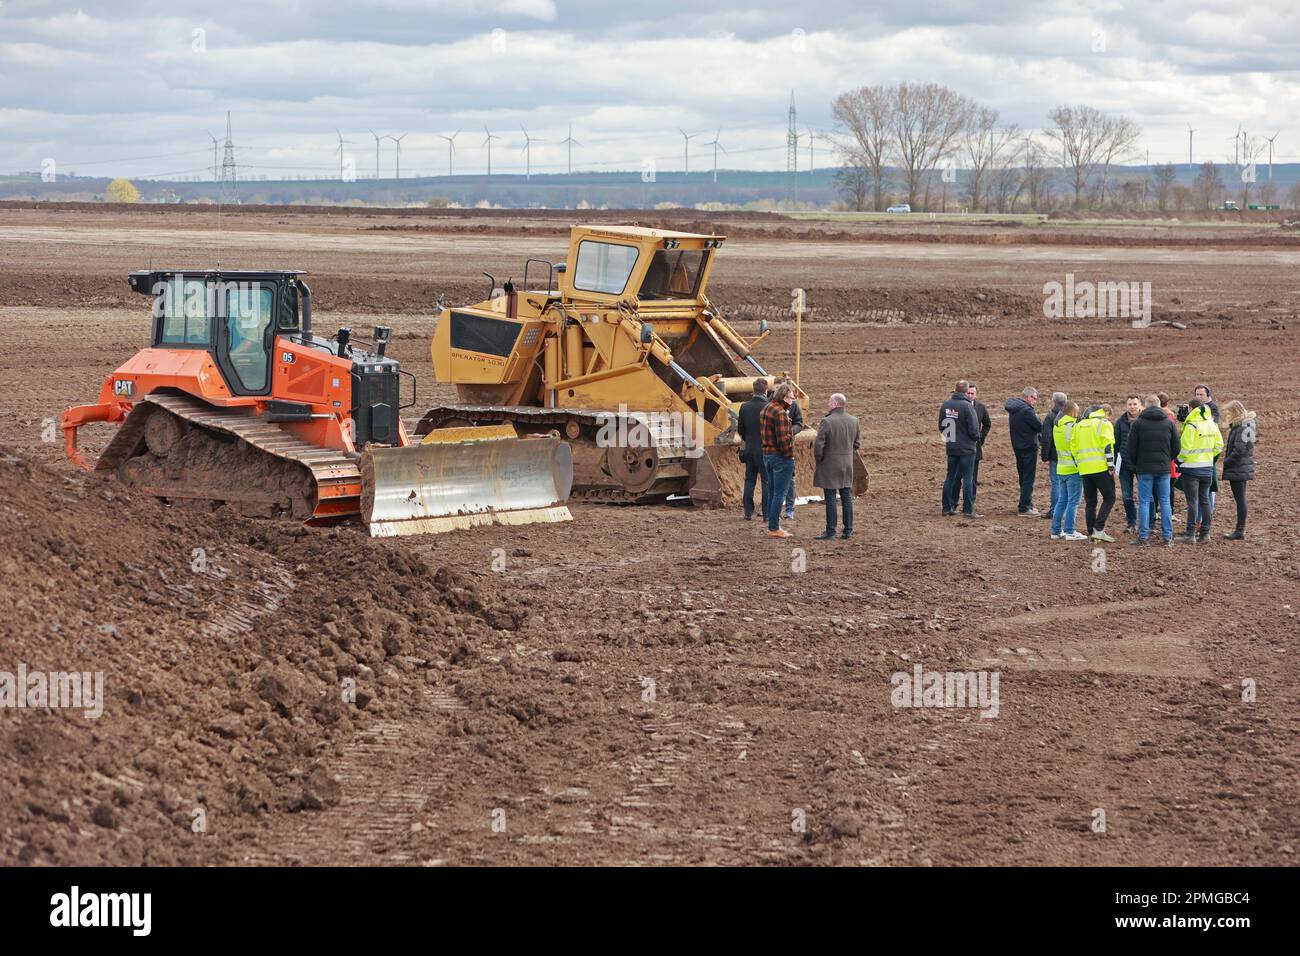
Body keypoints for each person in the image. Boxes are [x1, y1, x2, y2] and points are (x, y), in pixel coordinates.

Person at [1126, 394, 1180, 547]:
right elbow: (1177, 447)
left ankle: (1143, 537)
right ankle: (1168, 537)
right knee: (1165, 501)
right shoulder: (1168, 423)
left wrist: (1137, 463)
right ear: (1159, 405)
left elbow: (1130, 448)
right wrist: (1167, 459)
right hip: (1163, 468)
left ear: (1145, 406)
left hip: (1144, 469)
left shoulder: (1138, 424)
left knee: (1144, 501)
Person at [812, 393, 860, 540]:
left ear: (834, 404)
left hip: (829, 465)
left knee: (831, 498)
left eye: (829, 402)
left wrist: (820, 459)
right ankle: (848, 530)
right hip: (847, 465)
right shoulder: (854, 420)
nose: (828, 405)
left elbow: (818, 447)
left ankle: (831, 530)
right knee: (846, 497)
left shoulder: (826, 422)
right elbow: (857, 444)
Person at [1176, 398, 1224, 543]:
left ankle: (1190, 535)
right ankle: (1205, 534)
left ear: (1190, 408)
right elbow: (1219, 445)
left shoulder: (1191, 424)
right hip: (1207, 469)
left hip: (1191, 469)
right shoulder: (1211, 423)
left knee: (1192, 502)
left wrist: (1179, 461)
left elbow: (1185, 447)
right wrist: (1209, 457)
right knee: (1205, 501)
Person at [1074, 404, 1117, 542]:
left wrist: (1079, 464)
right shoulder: (1104, 423)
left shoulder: (1079, 425)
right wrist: (1111, 466)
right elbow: (1108, 446)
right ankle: (1098, 529)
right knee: (1109, 497)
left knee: (1090, 502)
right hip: (1100, 467)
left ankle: (1091, 532)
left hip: (1084, 468)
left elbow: (1073, 447)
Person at [939, 379, 981, 518]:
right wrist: (972, 441)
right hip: (967, 449)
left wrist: (950, 440)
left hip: (951, 447)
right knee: (968, 479)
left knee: (950, 477)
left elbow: (942, 426)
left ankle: (946, 508)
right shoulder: (968, 406)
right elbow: (974, 430)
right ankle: (968, 510)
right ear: (966, 391)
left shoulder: (946, 405)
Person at [760, 383, 797, 538]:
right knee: (779, 494)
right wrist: (790, 456)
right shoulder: (780, 413)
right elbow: (783, 440)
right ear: (783, 397)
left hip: (767, 455)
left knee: (772, 491)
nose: (792, 401)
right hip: (780, 457)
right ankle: (774, 527)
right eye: (791, 398)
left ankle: (772, 524)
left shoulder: (766, 408)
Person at [1049, 401, 1086, 540]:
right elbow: (1076, 447)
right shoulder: (1073, 426)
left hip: (1061, 467)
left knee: (1062, 500)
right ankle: (1070, 530)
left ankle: (1056, 530)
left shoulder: (1057, 425)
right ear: (1072, 412)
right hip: (1073, 469)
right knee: (1073, 502)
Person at [1220, 399, 1256, 540]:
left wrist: (1226, 463)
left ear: (1234, 412)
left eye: (1228, 413)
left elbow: (1239, 450)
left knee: (1240, 499)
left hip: (1238, 467)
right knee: (1241, 499)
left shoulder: (1242, 427)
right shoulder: (1248, 424)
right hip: (1242, 466)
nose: (1227, 416)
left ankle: (1240, 530)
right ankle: (1240, 529)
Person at [735, 378, 770, 521]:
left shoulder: (744, 407)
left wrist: (749, 439)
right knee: (766, 482)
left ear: (753, 390)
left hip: (749, 449)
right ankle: (766, 513)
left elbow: (741, 430)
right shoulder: (770, 407)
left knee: (749, 480)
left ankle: (748, 512)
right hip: (766, 451)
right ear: (766, 390)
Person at [1005, 386, 1043, 515]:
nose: (1035, 402)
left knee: (1023, 477)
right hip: (1029, 448)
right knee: (1028, 478)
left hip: (1018, 446)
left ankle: (1027, 503)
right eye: (1035, 399)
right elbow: (1039, 426)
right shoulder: (1027, 411)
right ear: (1029, 397)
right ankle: (1025, 507)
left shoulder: (1014, 409)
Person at [772, 375, 805, 521]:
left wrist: (791, 431)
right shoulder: (770, 405)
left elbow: (800, 422)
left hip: (787, 447)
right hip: (772, 449)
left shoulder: (794, 405)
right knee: (772, 479)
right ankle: (771, 508)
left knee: (790, 479)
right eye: (777, 389)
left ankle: (790, 508)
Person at [1113, 395, 1142, 533]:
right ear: (1126, 406)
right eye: (1130, 404)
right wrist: (1114, 462)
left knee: (1147, 494)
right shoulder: (1120, 422)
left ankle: (1149, 523)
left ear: (1140, 405)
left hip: (1142, 463)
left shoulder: (1145, 420)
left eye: (1135, 404)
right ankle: (1131, 523)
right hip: (1125, 465)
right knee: (1126, 495)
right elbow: (1115, 443)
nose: (1132, 407)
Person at [1041, 391, 1067, 520]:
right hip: (1070, 456)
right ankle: (1065, 510)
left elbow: (1046, 438)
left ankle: (1055, 511)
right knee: (1068, 483)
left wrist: (1045, 456)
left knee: (1056, 483)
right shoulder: (1072, 417)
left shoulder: (1051, 417)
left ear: (1054, 401)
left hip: (1056, 456)